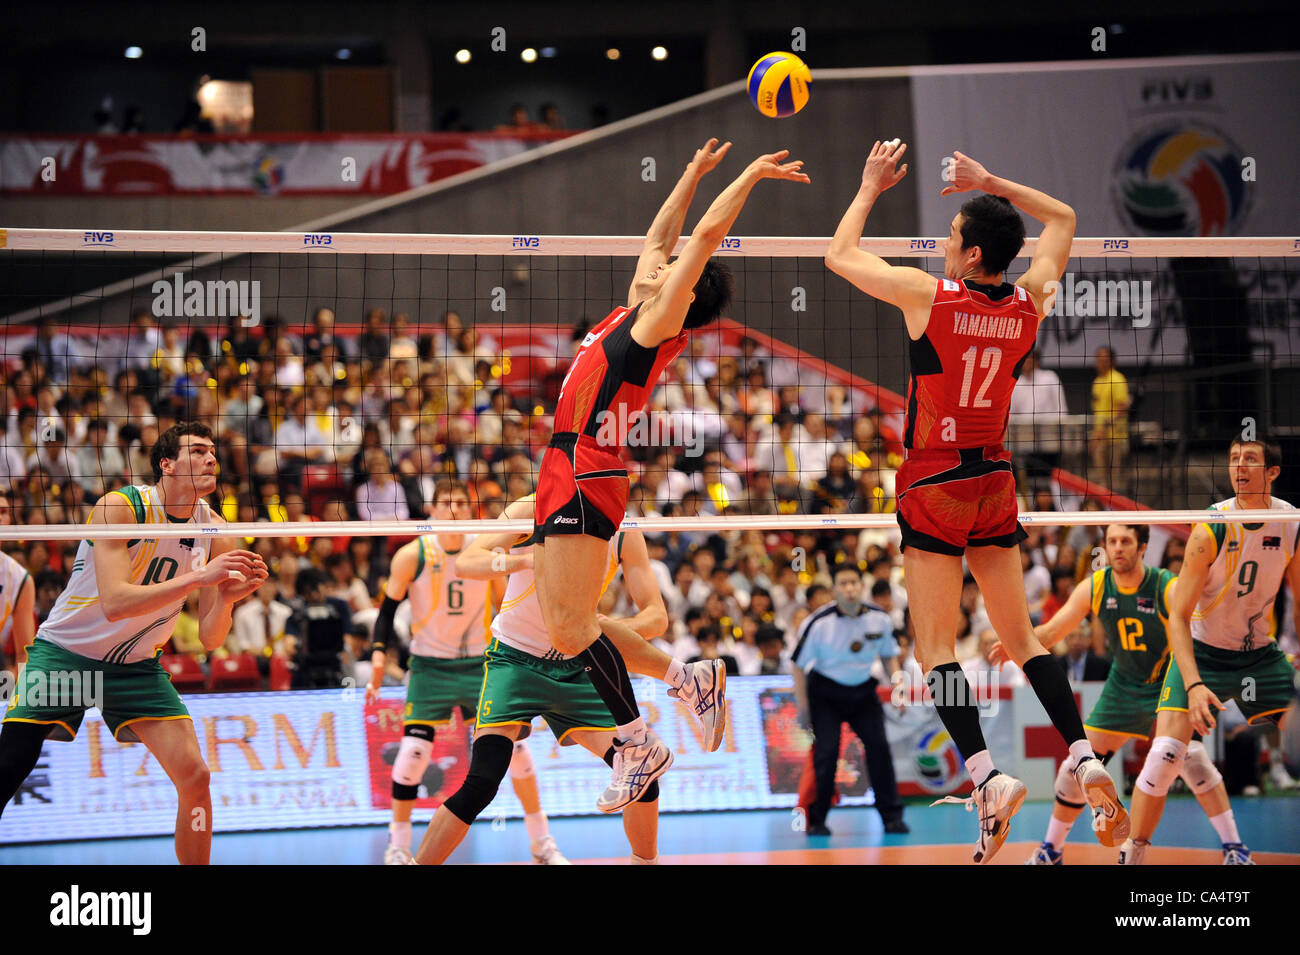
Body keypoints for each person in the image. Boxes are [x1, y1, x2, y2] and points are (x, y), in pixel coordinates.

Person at [826, 141, 1126, 863]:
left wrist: (868, 186)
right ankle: (1084, 756)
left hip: (934, 481)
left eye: (951, 239)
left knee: (935, 648)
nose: (943, 247)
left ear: (966, 255)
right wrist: (992, 182)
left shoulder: (928, 297)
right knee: (1023, 640)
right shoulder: (1030, 302)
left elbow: (839, 254)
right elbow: (1065, 219)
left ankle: (988, 776)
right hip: (994, 476)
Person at [530, 138, 808, 811]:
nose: (655, 265)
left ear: (681, 294)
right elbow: (663, 235)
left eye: (671, 270)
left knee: (569, 631)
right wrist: (688, 172)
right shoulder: (637, 309)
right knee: (569, 621)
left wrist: (747, 175)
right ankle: (690, 680)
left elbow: (704, 237)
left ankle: (638, 741)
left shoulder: (657, 322)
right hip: (564, 463)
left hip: (586, 468)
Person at [0, 423, 268, 863]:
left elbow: (209, 638)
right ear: (166, 463)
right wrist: (201, 577)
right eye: (197, 451)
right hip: (66, 653)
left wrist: (226, 599)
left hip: (136, 665)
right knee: (9, 766)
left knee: (196, 776)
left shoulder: (215, 530)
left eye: (213, 452)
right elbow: (117, 604)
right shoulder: (120, 507)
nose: (210, 459)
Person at [413, 495, 671, 865]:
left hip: (577, 662)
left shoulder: (623, 529)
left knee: (639, 771)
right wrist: (526, 558)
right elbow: (468, 562)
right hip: (515, 661)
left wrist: (598, 636)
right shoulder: (531, 509)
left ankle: (645, 861)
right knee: (484, 780)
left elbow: (656, 617)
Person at [995, 522, 1251, 863]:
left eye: (1125, 541)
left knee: (1193, 760)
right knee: (1075, 768)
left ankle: (1235, 848)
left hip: (1166, 686)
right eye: (1112, 541)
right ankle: (1051, 850)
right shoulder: (1097, 586)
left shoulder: (1165, 585)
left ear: (1142, 547)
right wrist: (1016, 643)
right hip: (1123, 686)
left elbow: (1195, 631)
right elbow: (1055, 630)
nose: (1117, 548)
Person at [364, 480, 567, 866]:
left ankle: (542, 843)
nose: (453, 508)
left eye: (461, 501)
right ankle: (398, 846)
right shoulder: (413, 553)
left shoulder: (485, 543)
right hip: (430, 668)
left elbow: (506, 599)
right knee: (413, 753)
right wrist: (377, 659)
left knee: (519, 753)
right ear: (433, 508)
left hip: (481, 664)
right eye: (446, 501)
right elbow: (387, 612)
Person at [1121, 435, 1300, 864]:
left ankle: (1234, 849)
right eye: (1234, 458)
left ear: (1272, 472)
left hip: (1260, 654)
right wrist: (1195, 683)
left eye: (1250, 460)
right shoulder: (1210, 528)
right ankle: (1134, 851)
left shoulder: (1291, 522)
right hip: (1201, 652)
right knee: (1166, 754)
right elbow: (1177, 617)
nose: (1239, 467)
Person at [792, 564, 908, 837]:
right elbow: (797, 665)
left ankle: (892, 817)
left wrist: (898, 688)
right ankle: (817, 820)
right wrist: (803, 707)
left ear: (861, 585)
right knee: (827, 753)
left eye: (854, 582)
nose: (850, 588)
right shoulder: (818, 622)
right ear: (835, 589)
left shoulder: (880, 619)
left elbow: (889, 655)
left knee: (879, 748)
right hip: (825, 693)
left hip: (862, 692)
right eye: (843, 583)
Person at [1089, 346, 1131, 496]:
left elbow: (1122, 407)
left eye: (1105, 359)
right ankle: (1104, 516)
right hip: (1100, 438)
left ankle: (1119, 517)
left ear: (1112, 361)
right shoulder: (1097, 381)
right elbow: (1098, 413)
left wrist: (1104, 429)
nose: (1101, 362)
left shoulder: (1117, 379)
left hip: (1116, 438)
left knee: (1116, 481)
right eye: (1099, 359)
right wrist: (1096, 435)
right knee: (1102, 482)